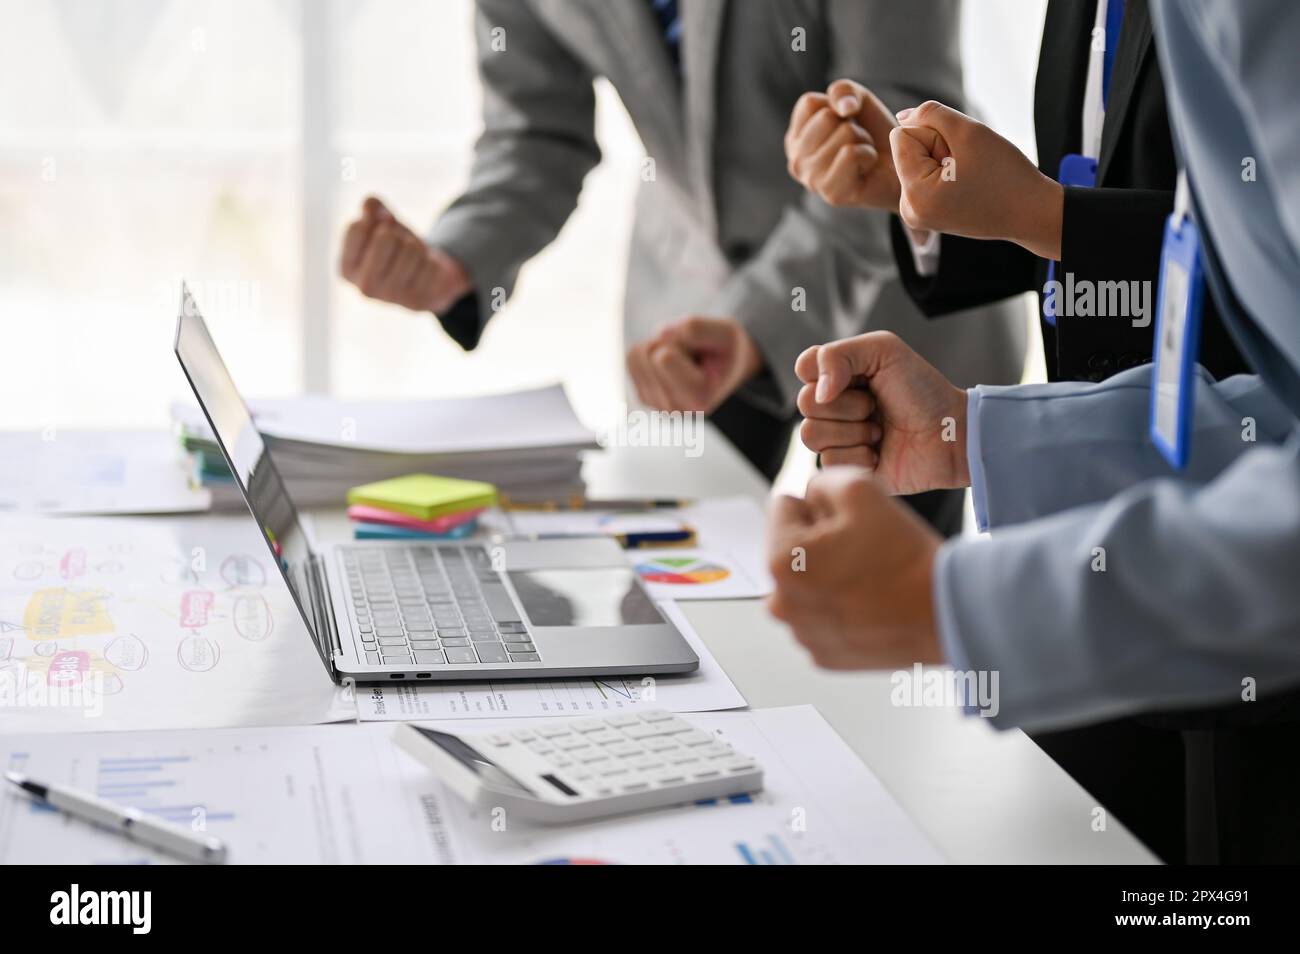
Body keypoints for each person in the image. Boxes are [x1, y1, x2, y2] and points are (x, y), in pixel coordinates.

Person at [768, 0, 1300, 863]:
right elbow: (1273, 415)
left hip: (1213, 602)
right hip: (1132, 541)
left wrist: (958, 610)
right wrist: (967, 433)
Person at [337, 0, 1024, 538]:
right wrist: (455, 258)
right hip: (689, 311)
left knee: (880, 643)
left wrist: (752, 318)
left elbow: (895, 144)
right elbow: (535, 135)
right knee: (669, 606)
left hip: (900, 307)